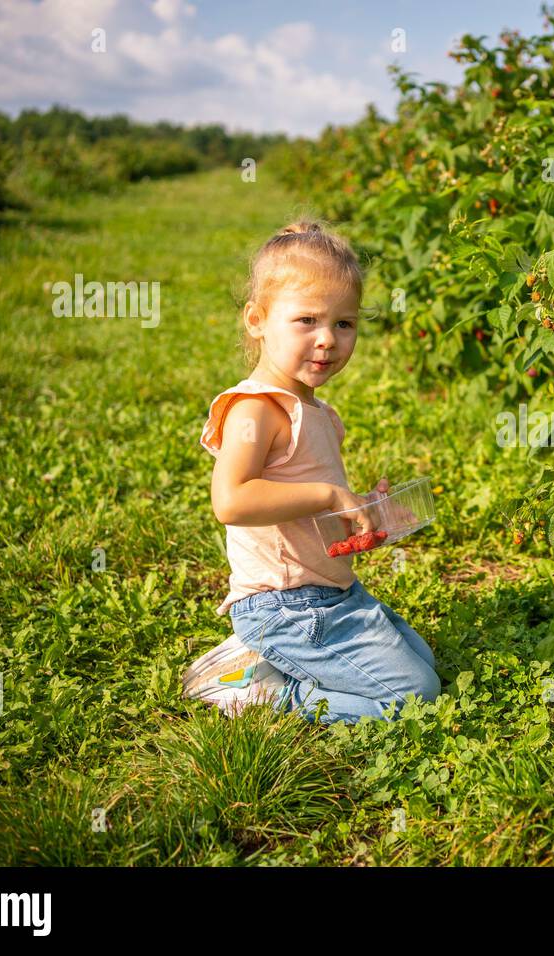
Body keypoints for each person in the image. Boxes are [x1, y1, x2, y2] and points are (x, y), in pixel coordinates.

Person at [197, 219, 440, 725]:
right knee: (413, 697)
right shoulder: (257, 410)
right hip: (284, 606)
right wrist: (331, 496)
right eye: (306, 320)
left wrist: (360, 511)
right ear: (256, 319)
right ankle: (265, 695)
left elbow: (307, 501)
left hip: (333, 593)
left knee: (427, 664)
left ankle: (270, 666)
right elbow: (232, 501)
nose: (328, 339)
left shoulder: (322, 414)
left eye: (344, 323)